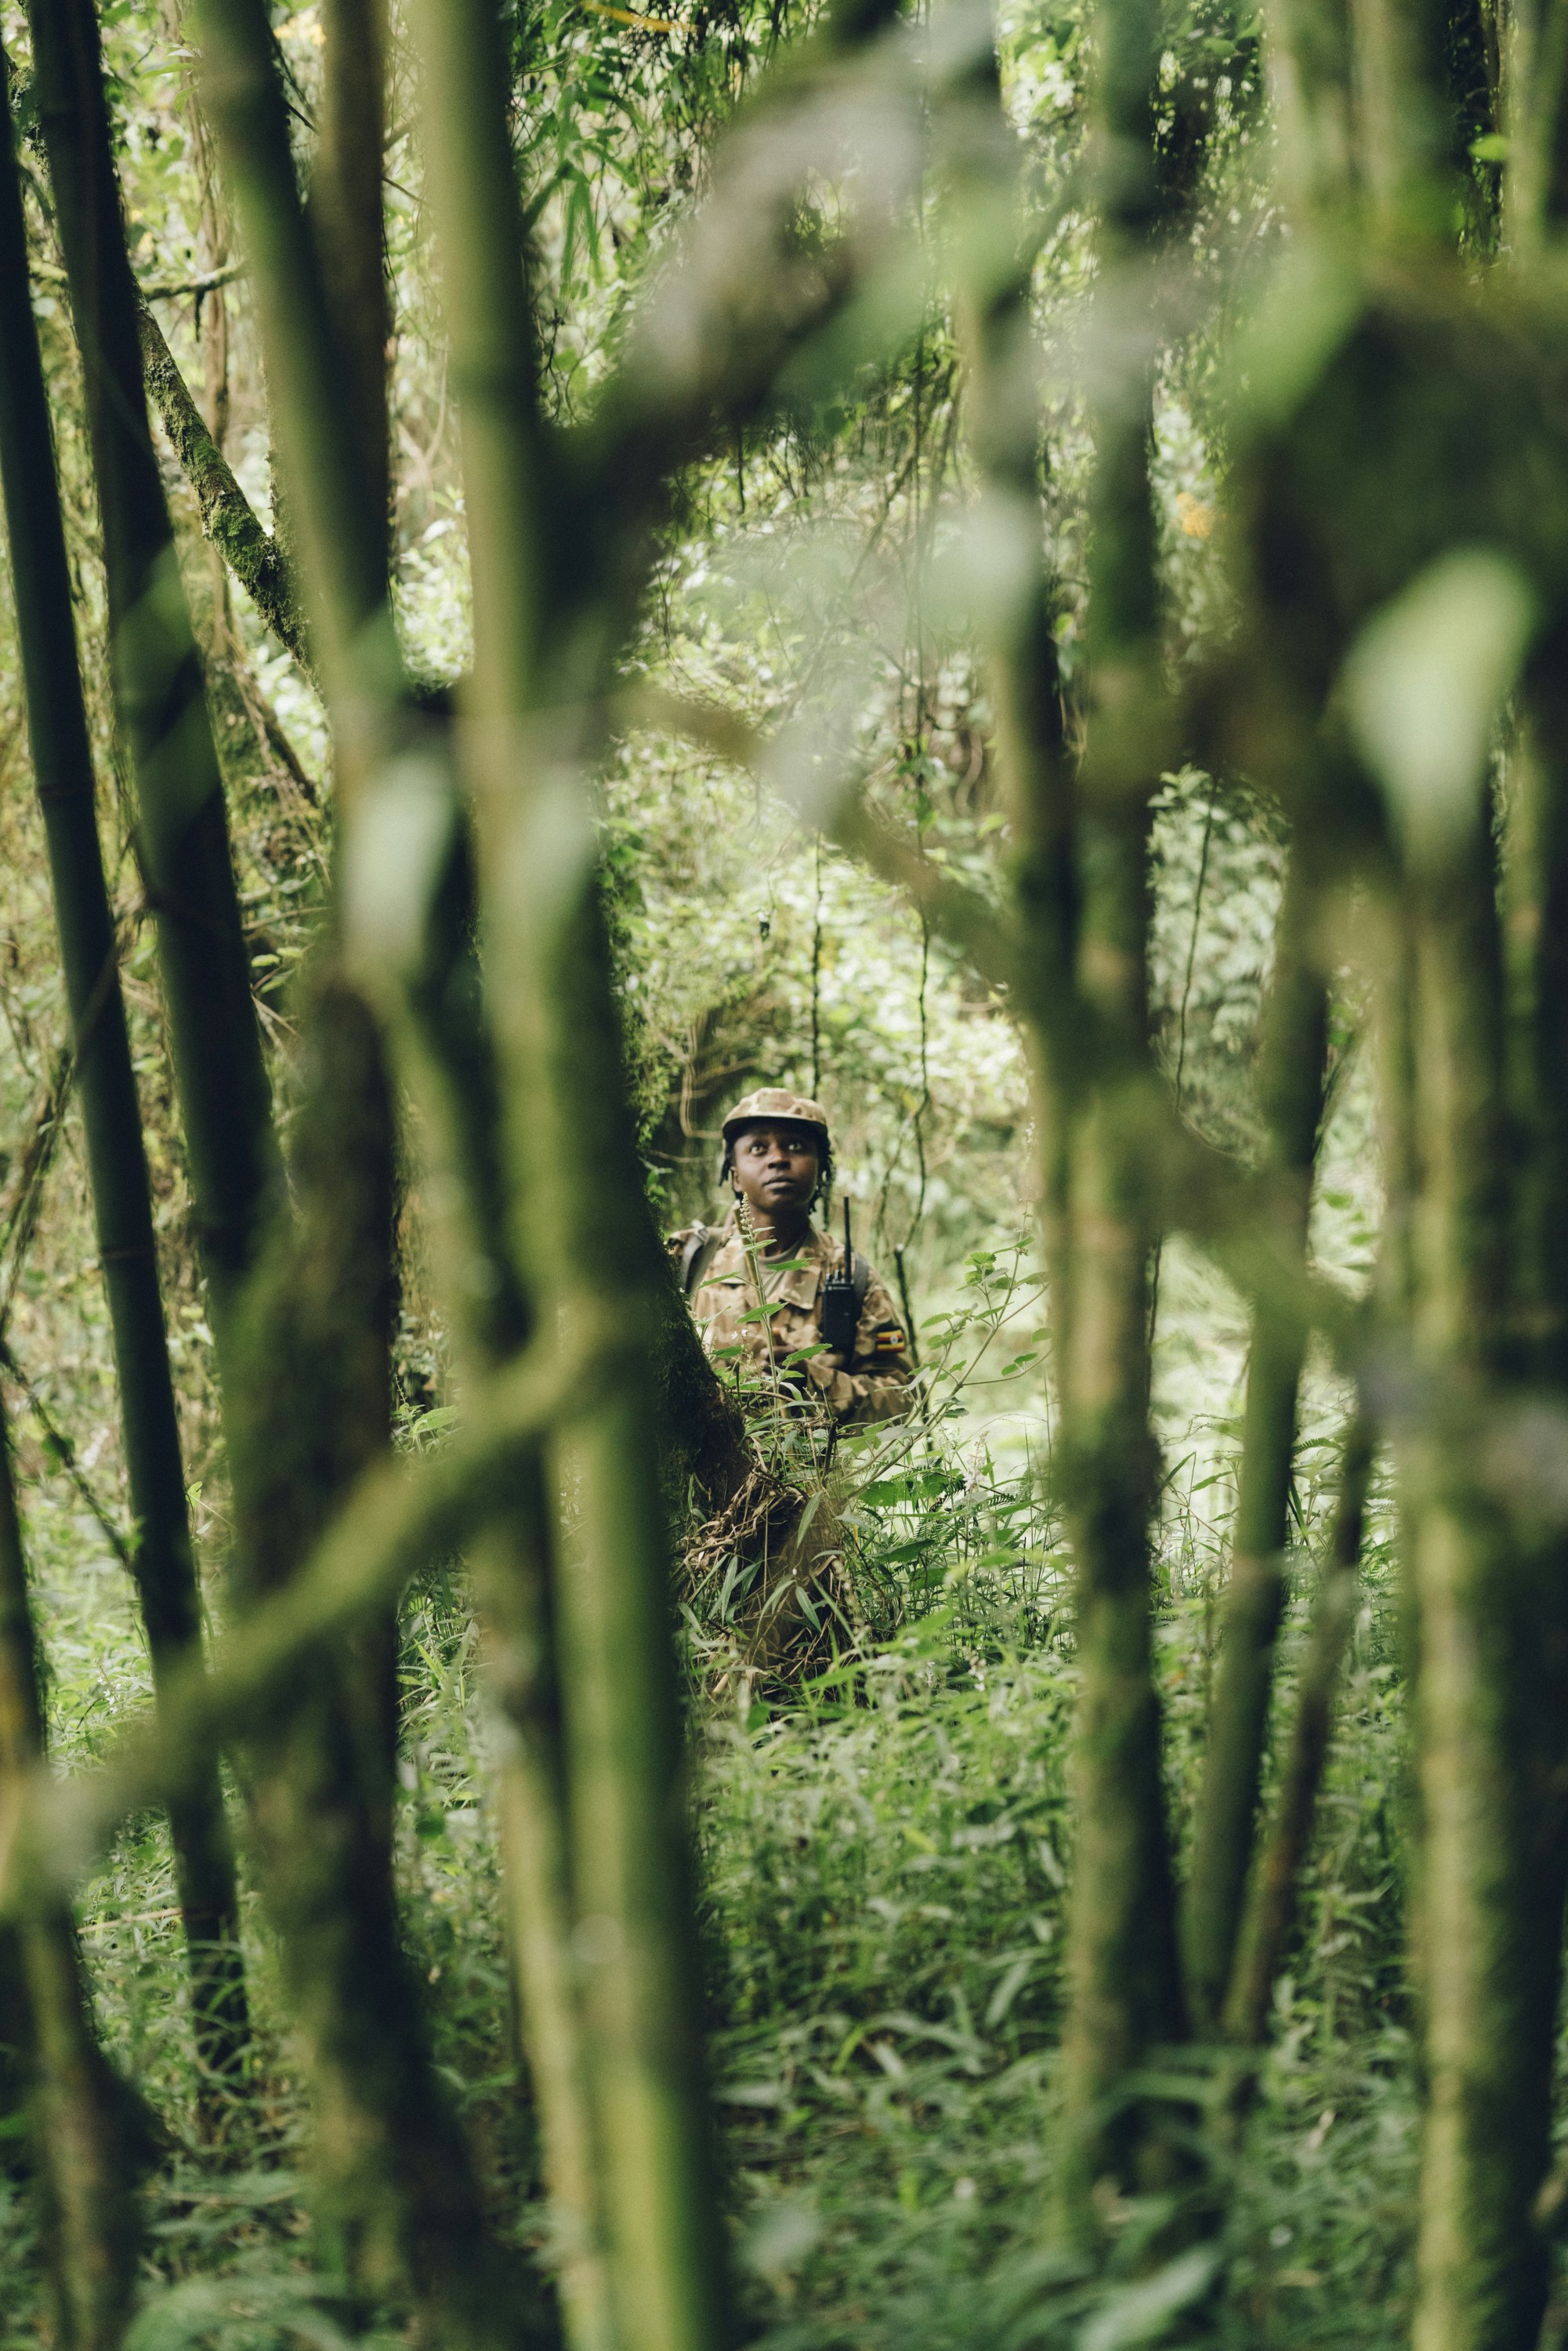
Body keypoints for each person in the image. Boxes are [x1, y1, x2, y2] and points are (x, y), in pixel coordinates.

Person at [668, 1088, 914, 1425]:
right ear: (735, 1173)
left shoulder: (851, 1277)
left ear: (820, 1168)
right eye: (758, 1148)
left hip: (811, 1478)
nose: (778, 1158)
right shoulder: (687, 1259)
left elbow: (902, 1398)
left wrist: (811, 1381)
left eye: (796, 1146)